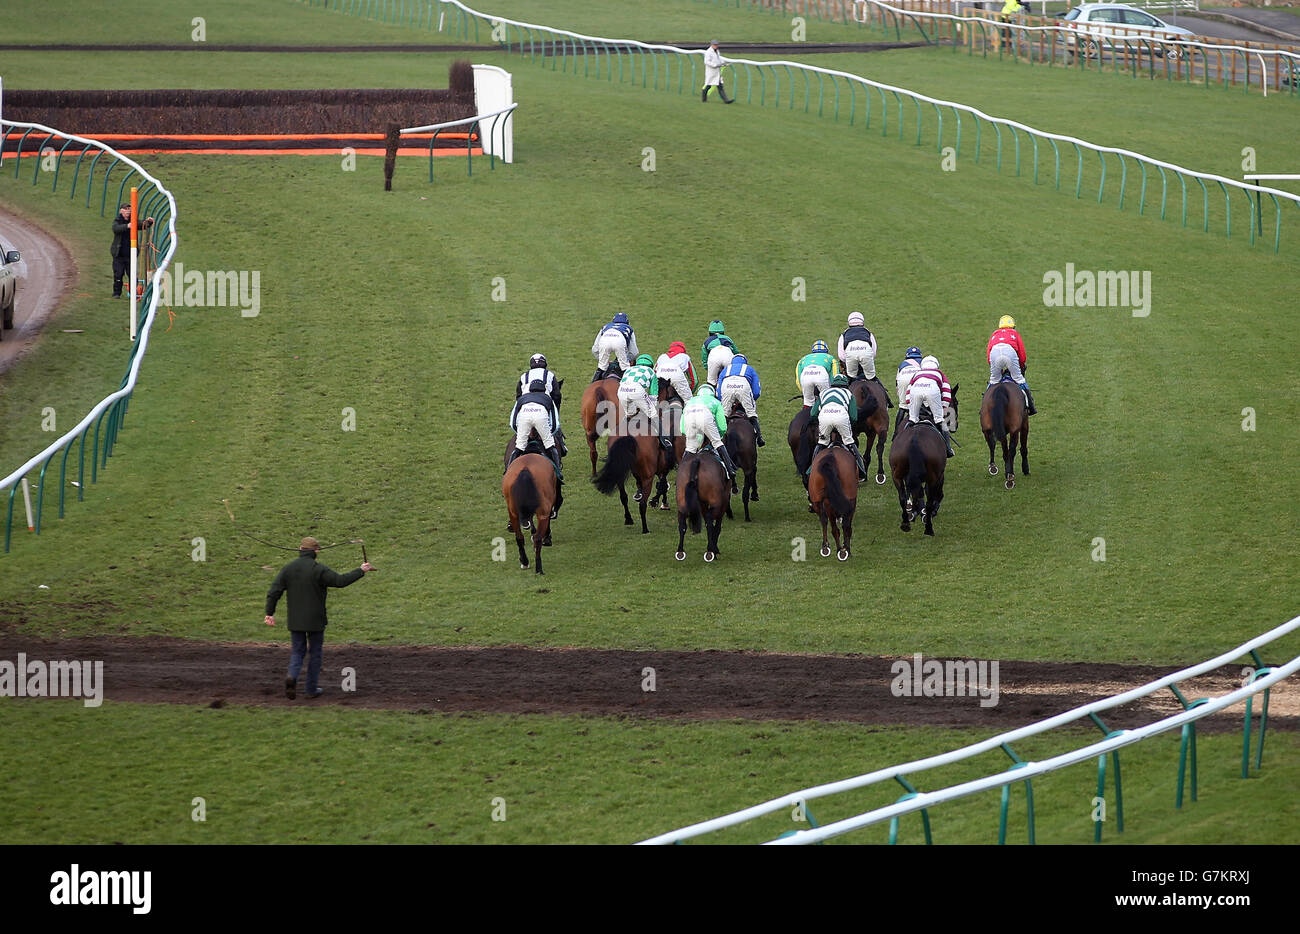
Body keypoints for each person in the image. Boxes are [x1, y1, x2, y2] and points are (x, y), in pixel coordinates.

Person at [265, 537, 373, 699]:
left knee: (297, 652)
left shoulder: (288, 569)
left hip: (296, 621)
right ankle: (311, 689)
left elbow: (274, 592)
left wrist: (269, 612)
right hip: (316, 620)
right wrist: (361, 571)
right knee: (315, 654)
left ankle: (292, 676)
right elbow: (340, 581)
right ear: (316, 551)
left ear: (300, 549)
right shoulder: (318, 569)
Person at [809, 374, 867, 481]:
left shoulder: (823, 393)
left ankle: (810, 470)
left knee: (821, 443)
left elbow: (813, 414)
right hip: (841, 417)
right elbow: (854, 417)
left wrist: (820, 422)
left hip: (824, 416)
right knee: (849, 442)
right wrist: (848, 426)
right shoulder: (849, 394)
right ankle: (861, 471)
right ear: (845, 385)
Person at [508, 378, 564, 482]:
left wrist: (520, 433)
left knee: (519, 447)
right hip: (541, 417)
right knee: (550, 445)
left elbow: (513, 420)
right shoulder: (548, 398)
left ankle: (508, 471)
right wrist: (548, 435)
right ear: (543, 390)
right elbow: (555, 423)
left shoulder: (522, 398)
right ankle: (558, 473)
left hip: (524, 418)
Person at [681, 384, 738, 478]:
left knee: (690, 448)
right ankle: (730, 469)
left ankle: (681, 471)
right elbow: (723, 427)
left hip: (689, 416)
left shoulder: (690, 401)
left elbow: (682, 429)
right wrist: (718, 435)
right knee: (717, 442)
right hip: (704, 416)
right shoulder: (716, 402)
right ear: (712, 393)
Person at [619, 353, 674, 451]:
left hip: (621, 391)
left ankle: (618, 436)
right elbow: (653, 394)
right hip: (636, 389)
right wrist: (651, 407)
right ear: (651, 365)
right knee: (653, 414)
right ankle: (666, 441)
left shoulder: (629, 369)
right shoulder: (651, 372)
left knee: (629, 415)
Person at [837, 312, 892, 407]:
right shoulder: (868, 332)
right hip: (866, 353)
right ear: (862, 322)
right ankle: (887, 400)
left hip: (850, 353)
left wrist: (850, 361)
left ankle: (842, 403)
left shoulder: (844, 334)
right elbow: (873, 352)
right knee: (872, 377)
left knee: (850, 378)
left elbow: (841, 355)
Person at [987, 314, 1037, 415]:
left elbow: (989, 355)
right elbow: (1022, 355)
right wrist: (1021, 365)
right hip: (1009, 352)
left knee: (993, 381)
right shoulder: (1014, 333)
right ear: (1013, 326)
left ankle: (984, 406)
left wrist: (997, 369)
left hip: (994, 353)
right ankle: (1031, 406)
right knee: (1019, 379)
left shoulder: (994, 334)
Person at [908, 354, 955, 457]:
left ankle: (898, 437)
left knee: (912, 419)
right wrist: (943, 407)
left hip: (915, 391)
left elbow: (909, 391)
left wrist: (910, 407)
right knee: (939, 420)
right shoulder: (940, 373)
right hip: (932, 391)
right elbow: (947, 392)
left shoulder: (917, 373)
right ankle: (948, 448)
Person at [718, 352, 765, 446]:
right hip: (743, 386)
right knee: (751, 413)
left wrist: (723, 400)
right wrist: (749, 400)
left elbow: (718, 392)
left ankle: (718, 440)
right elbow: (756, 391)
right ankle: (759, 438)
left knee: (724, 415)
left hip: (726, 386)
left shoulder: (726, 369)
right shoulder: (749, 369)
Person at [111, 202, 153, 299]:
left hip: (131, 254)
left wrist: (149, 222)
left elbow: (141, 224)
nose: (128, 212)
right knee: (118, 274)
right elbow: (116, 228)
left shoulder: (133, 221)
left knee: (132, 274)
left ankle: (134, 293)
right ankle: (116, 293)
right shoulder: (117, 221)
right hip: (119, 254)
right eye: (126, 210)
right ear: (121, 211)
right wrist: (127, 226)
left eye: (129, 210)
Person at [591, 312, 638, 380]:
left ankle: (592, 385)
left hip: (605, 340)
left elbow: (595, 349)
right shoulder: (629, 328)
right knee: (625, 368)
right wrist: (625, 360)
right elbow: (634, 352)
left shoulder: (605, 327)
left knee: (601, 367)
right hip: (619, 341)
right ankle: (629, 387)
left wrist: (603, 360)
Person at [796, 340, 839, 408]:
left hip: (805, 377)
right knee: (826, 399)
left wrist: (804, 391)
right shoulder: (830, 358)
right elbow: (834, 374)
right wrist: (832, 388)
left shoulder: (803, 359)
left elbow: (798, 378)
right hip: (821, 376)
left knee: (808, 402)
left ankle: (806, 414)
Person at [700, 320, 738, 386]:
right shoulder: (728, 339)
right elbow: (736, 353)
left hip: (714, 358)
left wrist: (710, 369)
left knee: (711, 382)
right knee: (731, 380)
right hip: (728, 356)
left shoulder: (707, 341)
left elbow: (704, 359)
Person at [702, 40, 734, 104]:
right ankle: (704, 98)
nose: (716, 46)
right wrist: (715, 65)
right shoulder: (708, 52)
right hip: (711, 71)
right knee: (709, 85)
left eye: (716, 45)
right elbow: (706, 62)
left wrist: (723, 63)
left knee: (720, 86)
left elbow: (718, 59)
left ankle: (726, 100)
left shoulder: (717, 51)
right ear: (711, 45)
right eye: (715, 45)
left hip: (717, 72)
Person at [896, 346, 924, 412]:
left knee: (903, 406)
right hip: (918, 380)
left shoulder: (902, 364)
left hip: (903, 380)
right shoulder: (923, 362)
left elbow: (897, 383)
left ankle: (897, 422)